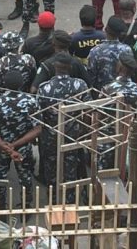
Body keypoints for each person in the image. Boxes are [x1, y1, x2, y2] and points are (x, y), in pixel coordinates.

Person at [37, 53, 88, 200]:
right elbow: (89, 109)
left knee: (51, 170)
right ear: (70, 67)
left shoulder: (45, 88)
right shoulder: (80, 85)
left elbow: (39, 114)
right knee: (70, 169)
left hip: (50, 137)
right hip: (73, 135)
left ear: (55, 67)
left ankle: (54, 200)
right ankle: (69, 200)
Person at [0, 70, 41, 207]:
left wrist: (5, 146)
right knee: (25, 177)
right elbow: (37, 129)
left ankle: (0, 206)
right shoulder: (31, 101)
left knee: (0, 177)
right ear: (22, 84)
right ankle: (26, 206)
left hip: (1, 147)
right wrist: (16, 145)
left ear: (4, 83)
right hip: (23, 147)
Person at [97, 51, 137, 169]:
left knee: (104, 175)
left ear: (120, 67)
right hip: (131, 138)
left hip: (109, 139)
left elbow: (98, 115)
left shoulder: (108, 89)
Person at [87, 16, 133, 90]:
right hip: (122, 90)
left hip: (102, 94)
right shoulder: (127, 49)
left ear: (105, 29)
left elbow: (91, 77)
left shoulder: (95, 51)